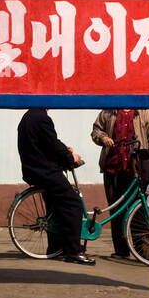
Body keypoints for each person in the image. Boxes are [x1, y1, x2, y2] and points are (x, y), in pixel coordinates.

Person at [18, 107, 94, 265]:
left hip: (35, 170)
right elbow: (52, 143)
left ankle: (55, 249)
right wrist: (70, 156)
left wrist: (64, 152)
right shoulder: (41, 118)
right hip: (45, 172)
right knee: (73, 204)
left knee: (55, 208)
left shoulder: (28, 117)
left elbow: (43, 145)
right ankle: (74, 251)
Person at [91, 108, 149, 260]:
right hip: (113, 168)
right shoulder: (108, 111)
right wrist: (103, 138)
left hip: (137, 169)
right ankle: (121, 251)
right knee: (116, 210)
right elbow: (96, 130)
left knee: (139, 211)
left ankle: (142, 253)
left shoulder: (144, 112)